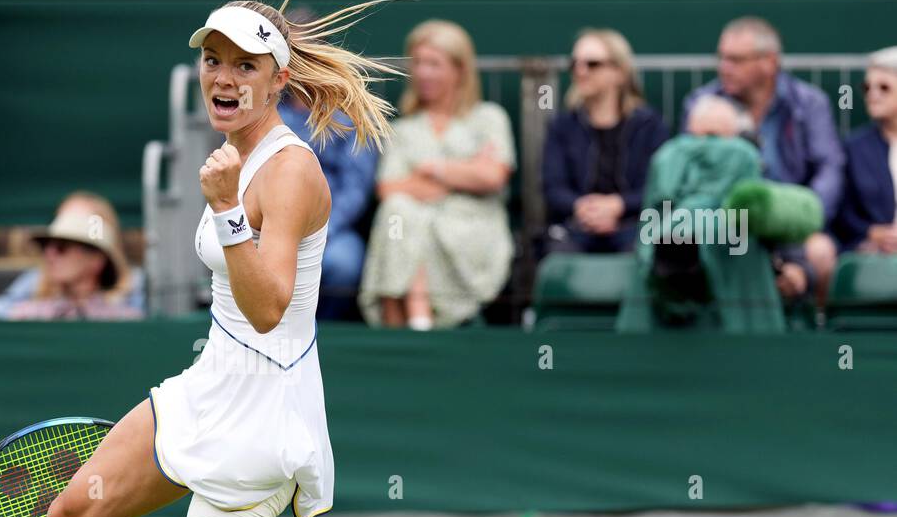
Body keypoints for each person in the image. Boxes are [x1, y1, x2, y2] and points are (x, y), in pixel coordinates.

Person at [0, 0, 466, 517]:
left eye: (243, 64)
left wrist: (228, 208)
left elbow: (268, 307)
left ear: (277, 77)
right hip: (207, 386)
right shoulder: (233, 159)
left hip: (261, 413)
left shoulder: (288, 171)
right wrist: (227, 199)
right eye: (212, 60)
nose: (223, 76)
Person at [357, 19, 516, 329]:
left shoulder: (488, 118)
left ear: (459, 69)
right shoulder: (404, 129)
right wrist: (464, 173)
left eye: (434, 64)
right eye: (417, 63)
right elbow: (388, 189)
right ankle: (416, 320)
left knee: (411, 218)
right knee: (399, 212)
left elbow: (493, 177)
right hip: (415, 225)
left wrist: (434, 169)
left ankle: (407, 329)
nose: (423, 73)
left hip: (472, 230)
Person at [680, 16, 843, 304]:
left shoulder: (809, 102)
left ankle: (814, 335)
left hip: (791, 225)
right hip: (725, 224)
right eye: (721, 58)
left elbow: (829, 168)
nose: (724, 68)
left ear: (769, 62)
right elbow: (688, 174)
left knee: (819, 252)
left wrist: (804, 217)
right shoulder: (701, 103)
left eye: (736, 60)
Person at [275, 5, 378, 320]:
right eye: (294, 51)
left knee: (344, 265)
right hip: (268, 227)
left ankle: (321, 339)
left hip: (332, 231)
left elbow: (356, 188)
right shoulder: (264, 113)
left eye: (309, 51)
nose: (303, 61)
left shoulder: (351, 116)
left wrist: (322, 229)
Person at [541, 29, 671, 255]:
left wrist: (618, 206)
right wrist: (582, 208)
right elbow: (553, 187)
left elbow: (658, 187)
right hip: (575, 228)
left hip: (636, 227)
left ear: (620, 72)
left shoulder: (650, 125)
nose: (580, 71)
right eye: (574, 63)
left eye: (592, 64)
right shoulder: (561, 126)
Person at [0, 192, 144, 320]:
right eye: (47, 245)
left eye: (62, 246)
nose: (50, 254)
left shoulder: (135, 287)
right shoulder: (34, 281)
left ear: (97, 257)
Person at [834, 47, 897, 255]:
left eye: (884, 87)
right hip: (873, 254)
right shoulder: (855, 147)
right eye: (867, 88)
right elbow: (843, 211)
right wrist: (872, 233)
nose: (873, 95)